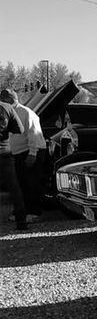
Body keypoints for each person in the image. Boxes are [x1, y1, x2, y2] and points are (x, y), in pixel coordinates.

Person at [1, 89, 46, 225]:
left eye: (3, 98)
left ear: (11, 99)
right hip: (17, 153)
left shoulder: (25, 112)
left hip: (32, 151)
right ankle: (22, 211)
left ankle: (34, 212)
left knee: (32, 183)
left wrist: (32, 154)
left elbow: (34, 134)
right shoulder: (7, 111)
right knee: (20, 183)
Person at [0, 98, 26, 230]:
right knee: (14, 188)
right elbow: (20, 129)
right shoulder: (7, 107)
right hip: (5, 153)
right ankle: (21, 223)